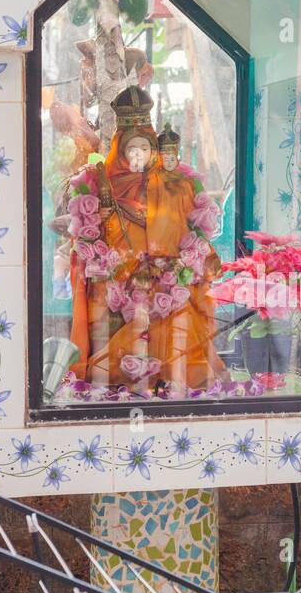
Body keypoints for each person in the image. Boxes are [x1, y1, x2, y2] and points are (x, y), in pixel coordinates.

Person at [52, 87, 225, 398]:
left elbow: (197, 228)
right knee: (112, 345)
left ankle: (167, 384)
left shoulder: (178, 182)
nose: (137, 156)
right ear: (119, 148)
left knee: (170, 343)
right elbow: (83, 235)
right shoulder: (94, 181)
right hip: (112, 282)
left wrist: (182, 266)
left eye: (144, 149)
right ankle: (114, 389)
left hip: (166, 281)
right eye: (131, 149)